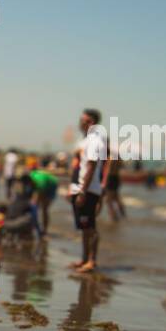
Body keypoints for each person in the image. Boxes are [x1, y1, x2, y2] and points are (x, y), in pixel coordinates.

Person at [69, 108, 108, 272]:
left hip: (89, 190)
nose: (80, 123)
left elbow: (91, 167)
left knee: (90, 227)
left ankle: (92, 260)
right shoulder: (85, 141)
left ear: (91, 122)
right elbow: (80, 166)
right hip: (80, 188)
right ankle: (84, 259)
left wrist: (83, 191)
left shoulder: (94, 141)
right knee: (84, 227)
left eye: (83, 120)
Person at [28, 162, 60, 234]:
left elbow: (39, 192)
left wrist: (35, 200)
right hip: (45, 184)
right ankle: (34, 227)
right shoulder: (32, 175)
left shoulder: (39, 180)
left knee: (44, 208)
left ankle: (44, 229)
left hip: (51, 187)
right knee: (35, 206)